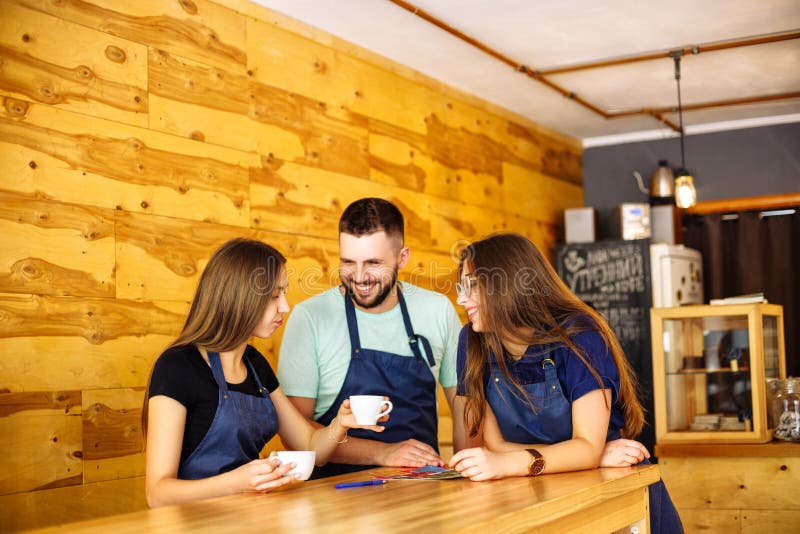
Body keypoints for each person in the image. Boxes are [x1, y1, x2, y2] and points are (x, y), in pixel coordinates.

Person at [449, 233, 683, 534]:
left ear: (505, 286)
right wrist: (593, 457)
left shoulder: (580, 336)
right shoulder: (471, 341)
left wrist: (584, 455)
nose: (460, 299)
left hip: (612, 488)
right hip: (538, 490)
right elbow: (496, 445)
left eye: (471, 287)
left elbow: (579, 445)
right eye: (461, 287)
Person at [143, 238, 385, 507]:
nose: (285, 306)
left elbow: (311, 446)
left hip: (248, 516)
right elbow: (158, 494)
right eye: (274, 296)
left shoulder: (255, 365)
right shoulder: (178, 367)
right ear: (240, 297)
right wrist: (237, 483)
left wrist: (341, 423)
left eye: (283, 293)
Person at [277, 198, 462, 478]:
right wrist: (383, 453)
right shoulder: (310, 318)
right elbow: (295, 436)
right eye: (348, 262)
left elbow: (465, 412)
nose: (360, 277)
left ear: (402, 257)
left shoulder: (437, 310)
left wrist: (465, 476)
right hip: (333, 495)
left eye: (373, 263)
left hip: (422, 490)